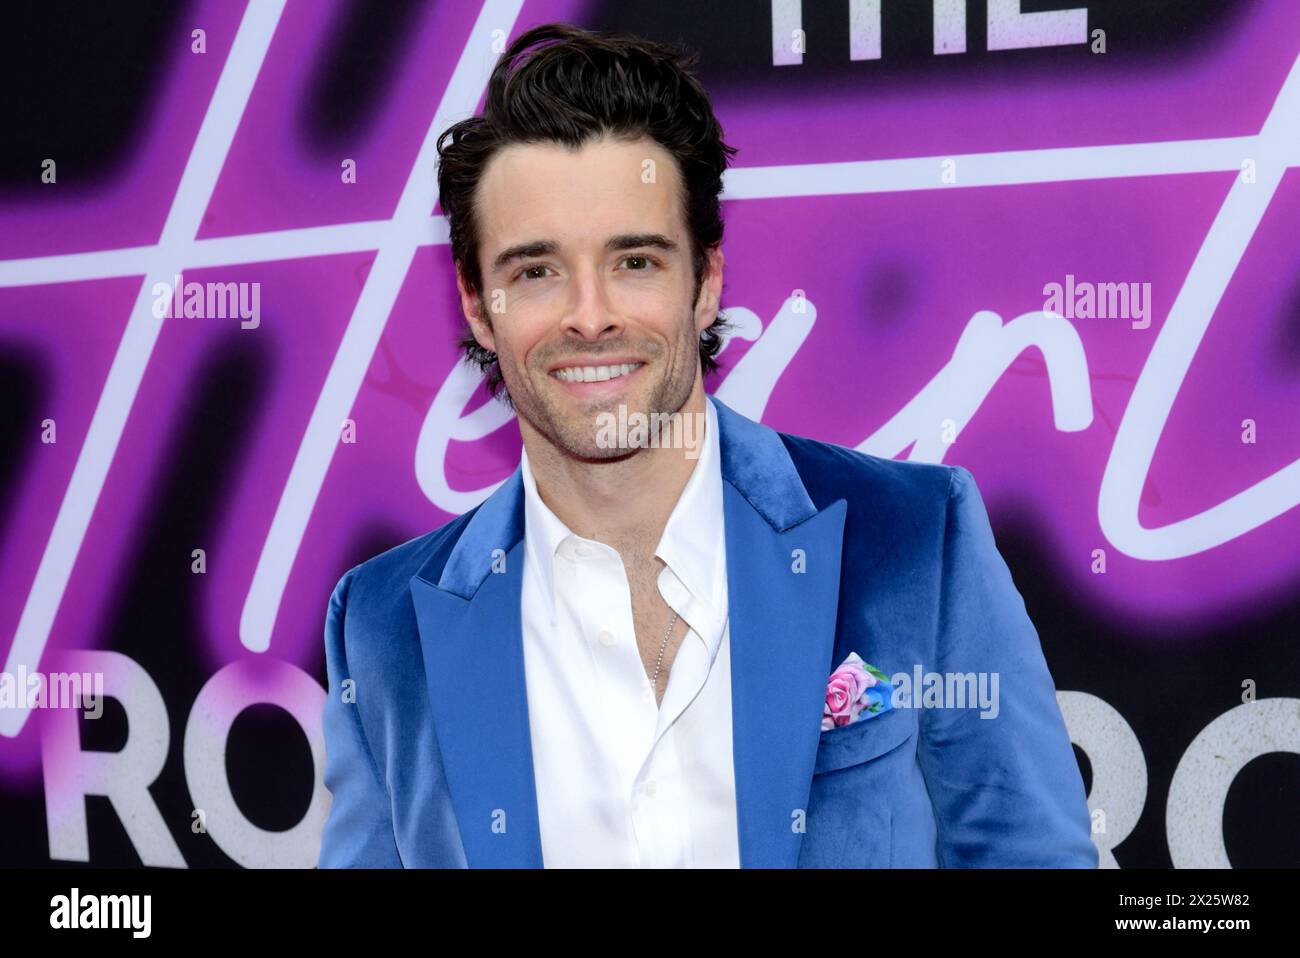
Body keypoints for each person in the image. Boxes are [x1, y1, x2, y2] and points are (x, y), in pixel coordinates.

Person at [316, 21, 1097, 868]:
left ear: (706, 279)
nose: (589, 315)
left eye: (636, 262)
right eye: (536, 271)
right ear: (477, 304)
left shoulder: (912, 542)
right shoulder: (385, 624)